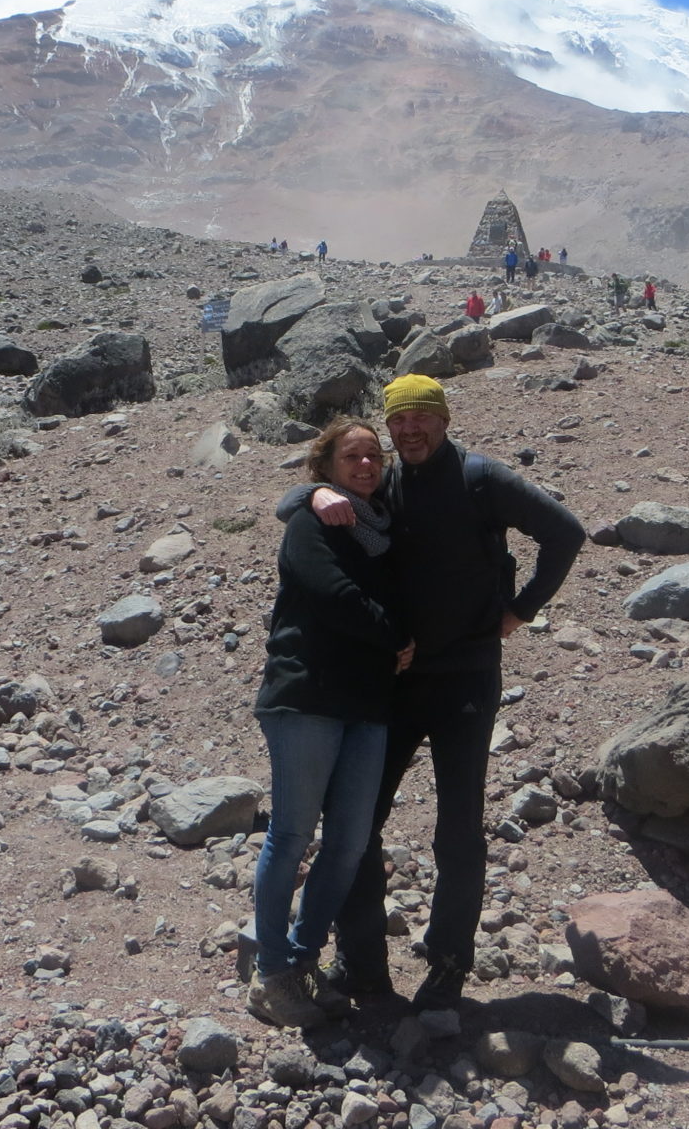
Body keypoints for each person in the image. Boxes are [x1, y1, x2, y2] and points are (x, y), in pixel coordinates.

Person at [281, 376, 584, 1010]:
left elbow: (565, 532)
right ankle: (362, 965)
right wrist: (311, 495)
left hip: (467, 680)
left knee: (458, 828)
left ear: (444, 420)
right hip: (396, 683)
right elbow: (314, 494)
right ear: (389, 429)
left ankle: (448, 965)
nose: (410, 428)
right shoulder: (385, 481)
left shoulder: (482, 477)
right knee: (355, 824)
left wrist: (521, 609)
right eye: (400, 420)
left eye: (423, 416)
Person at [250, 418, 412, 1028]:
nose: (366, 464)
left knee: (348, 844)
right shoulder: (310, 521)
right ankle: (272, 975)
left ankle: (300, 960)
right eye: (352, 456)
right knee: (291, 836)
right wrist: (397, 636)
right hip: (308, 696)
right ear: (327, 466)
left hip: (367, 703)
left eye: (374, 455)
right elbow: (333, 595)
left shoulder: (384, 528)